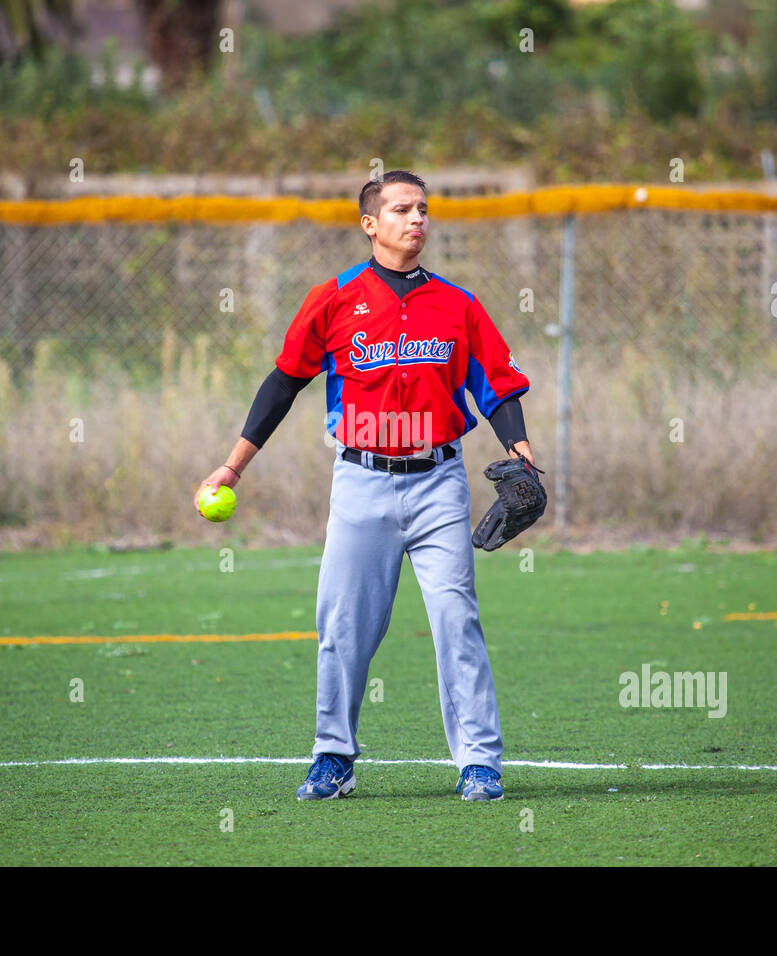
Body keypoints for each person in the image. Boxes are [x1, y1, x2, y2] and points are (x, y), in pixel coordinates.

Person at [194, 170, 537, 801]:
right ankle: (334, 756)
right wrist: (233, 465)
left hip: (439, 481)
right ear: (369, 224)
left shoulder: (457, 304)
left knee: (456, 618)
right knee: (344, 626)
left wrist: (519, 450)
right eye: (402, 209)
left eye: (424, 210)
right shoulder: (332, 299)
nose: (417, 220)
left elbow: (498, 383)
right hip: (362, 482)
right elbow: (283, 383)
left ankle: (479, 763)